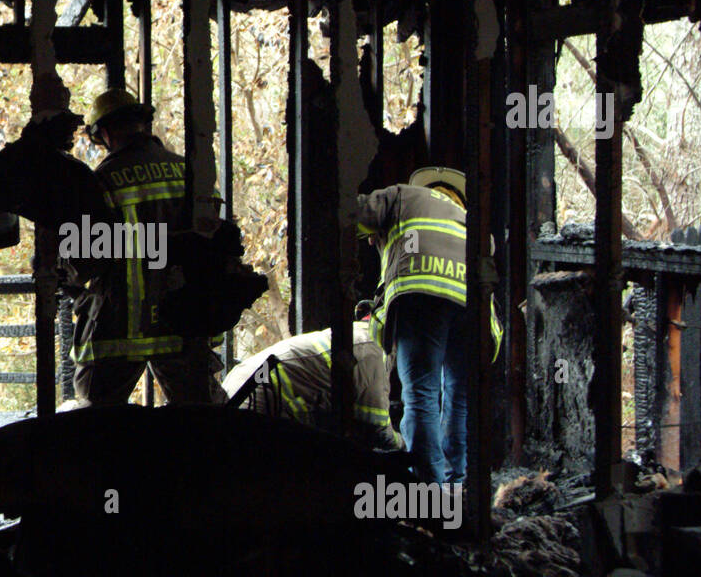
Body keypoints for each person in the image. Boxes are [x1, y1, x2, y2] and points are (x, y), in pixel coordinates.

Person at [62, 87, 224, 406]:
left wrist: (64, 270)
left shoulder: (101, 181)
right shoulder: (188, 173)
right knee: (202, 421)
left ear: (103, 133)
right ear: (141, 124)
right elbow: (215, 239)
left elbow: (82, 261)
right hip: (183, 320)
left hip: (119, 326)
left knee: (96, 423)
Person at [356, 167, 502, 484]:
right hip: (472, 307)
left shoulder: (403, 195)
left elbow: (355, 211)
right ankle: (457, 482)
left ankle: (428, 487)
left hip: (423, 294)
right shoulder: (470, 221)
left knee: (421, 393)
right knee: (458, 399)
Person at [222, 303, 404, 453]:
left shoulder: (356, 336)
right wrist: (406, 445)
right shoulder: (372, 349)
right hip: (258, 400)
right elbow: (376, 426)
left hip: (238, 389)